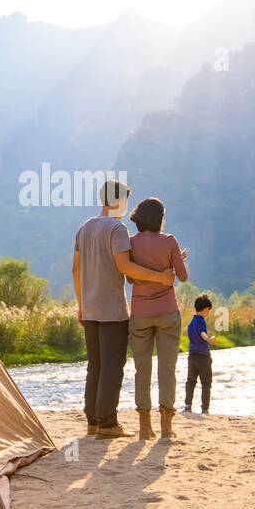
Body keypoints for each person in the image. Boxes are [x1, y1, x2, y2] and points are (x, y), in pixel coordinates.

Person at [73, 179, 176, 439]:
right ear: (118, 201)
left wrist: (81, 304)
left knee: (94, 365)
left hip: (90, 308)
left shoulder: (84, 228)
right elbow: (125, 267)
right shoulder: (116, 229)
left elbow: (75, 268)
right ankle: (108, 424)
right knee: (112, 366)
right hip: (112, 310)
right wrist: (161, 277)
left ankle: (93, 422)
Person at [126, 197, 188, 439]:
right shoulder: (170, 241)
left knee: (142, 369)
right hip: (167, 313)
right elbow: (181, 277)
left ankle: (144, 426)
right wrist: (177, 260)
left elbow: (130, 278)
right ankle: (166, 426)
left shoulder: (130, 243)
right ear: (161, 218)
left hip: (140, 313)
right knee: (167, 368)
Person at [184, 295, 216, 413]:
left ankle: (188, 406)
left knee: (190, 382)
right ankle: (205, 409)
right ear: (206, 309)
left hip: (192, 356)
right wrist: (209, 339)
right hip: (203, 357)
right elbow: (202, 333)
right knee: (206, 383)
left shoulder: (191, 322)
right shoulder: (201, 321)